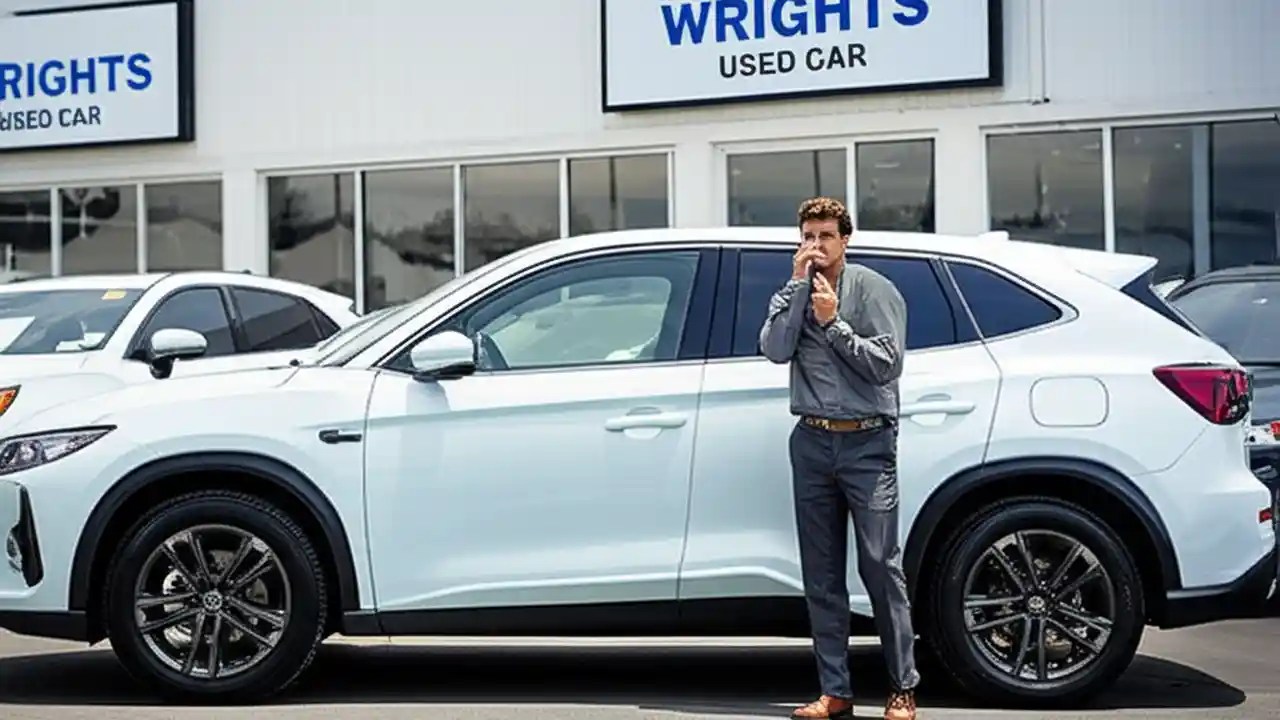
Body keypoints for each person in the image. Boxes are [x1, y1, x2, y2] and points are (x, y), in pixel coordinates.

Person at [758, 197, 920, 720]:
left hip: (866, 443)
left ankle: (902, 689)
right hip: (811, 441)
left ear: (845, 240)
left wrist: (832, 324)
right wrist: (796, 290)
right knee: (821, 574)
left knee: (879, 566)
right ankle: (836, 692)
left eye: (826, 236)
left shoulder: (874, 290)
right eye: (808, 236)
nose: (817, 246)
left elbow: (886, 367)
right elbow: (775, 349)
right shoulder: (794, 292)